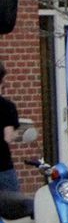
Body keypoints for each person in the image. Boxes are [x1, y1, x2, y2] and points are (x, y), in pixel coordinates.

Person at [0, 62, 20, 193]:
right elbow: (8, 137)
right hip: (3, 166)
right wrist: (17, 133)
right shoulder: (7, 107)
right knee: (13, 203)